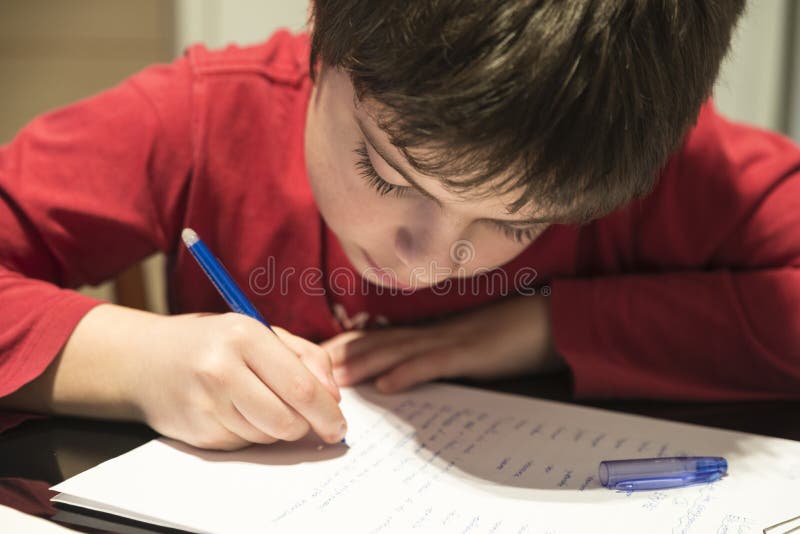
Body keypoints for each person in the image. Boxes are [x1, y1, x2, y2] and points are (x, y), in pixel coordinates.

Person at [1, 0, 797, 451]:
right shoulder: (203, 117)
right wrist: (140, 363)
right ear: (323, 35)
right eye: (388, 174)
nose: (432, 261)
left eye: (520, 223)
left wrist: (553, 329)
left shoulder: (617, 149)